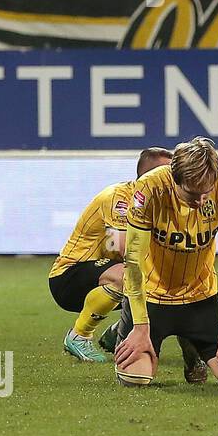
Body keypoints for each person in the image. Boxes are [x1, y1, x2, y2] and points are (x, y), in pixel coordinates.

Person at [114, 137, 218, 386]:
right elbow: (133, 261)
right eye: (192, 193)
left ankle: (193, 350)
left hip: (200, 299)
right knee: (135, 377)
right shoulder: (148, 190)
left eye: (206, 192)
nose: (201, 201)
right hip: (151, 301)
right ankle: (125, 330)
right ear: (174, 178)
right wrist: (139, 326)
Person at [49, 147, 173, 363]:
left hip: (103, 274)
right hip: (69, 276)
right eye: (169, 174)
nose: (175, 179)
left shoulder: (160, 204)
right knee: (131, 276)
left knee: (169, 283)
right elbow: (122, 249)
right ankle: (79, 335)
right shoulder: (120, 198)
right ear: (151, 176)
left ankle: (118, 332)